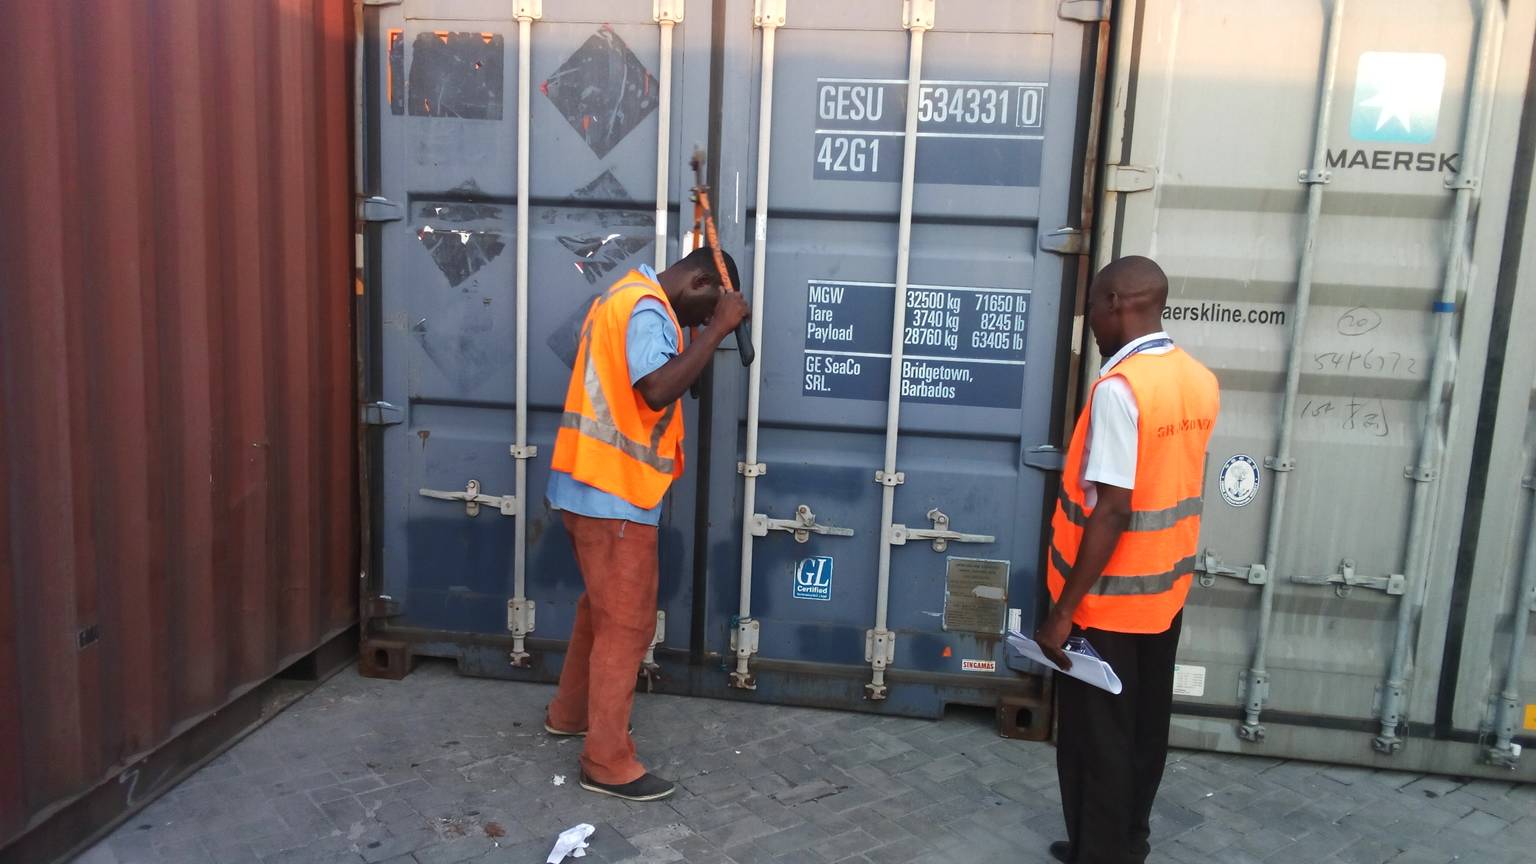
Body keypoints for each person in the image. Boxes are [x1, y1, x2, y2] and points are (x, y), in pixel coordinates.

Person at [542, 247, 748, 803]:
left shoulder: (620, 297)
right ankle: (606, 762)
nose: (700, 323)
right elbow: (655, 390)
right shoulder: (646, 309)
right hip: (615, 496)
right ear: (701, 280)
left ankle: (568, 714)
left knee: (600, 610)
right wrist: (719, 331)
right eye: (703, 311)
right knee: (627, 626)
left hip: (591, 487)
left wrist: (704, 336)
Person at [1034, 256, 1219, 864]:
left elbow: (1112, 509)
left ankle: (1100, 853)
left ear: (1117, 303)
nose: (1089, 321)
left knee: (1096, 742)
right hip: (1164, 597)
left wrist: (1062, 612)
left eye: (1092, 306)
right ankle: (1119, 842)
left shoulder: (1121, 391)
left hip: (1107, 603)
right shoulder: (1196, 378)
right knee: (1142, 734)